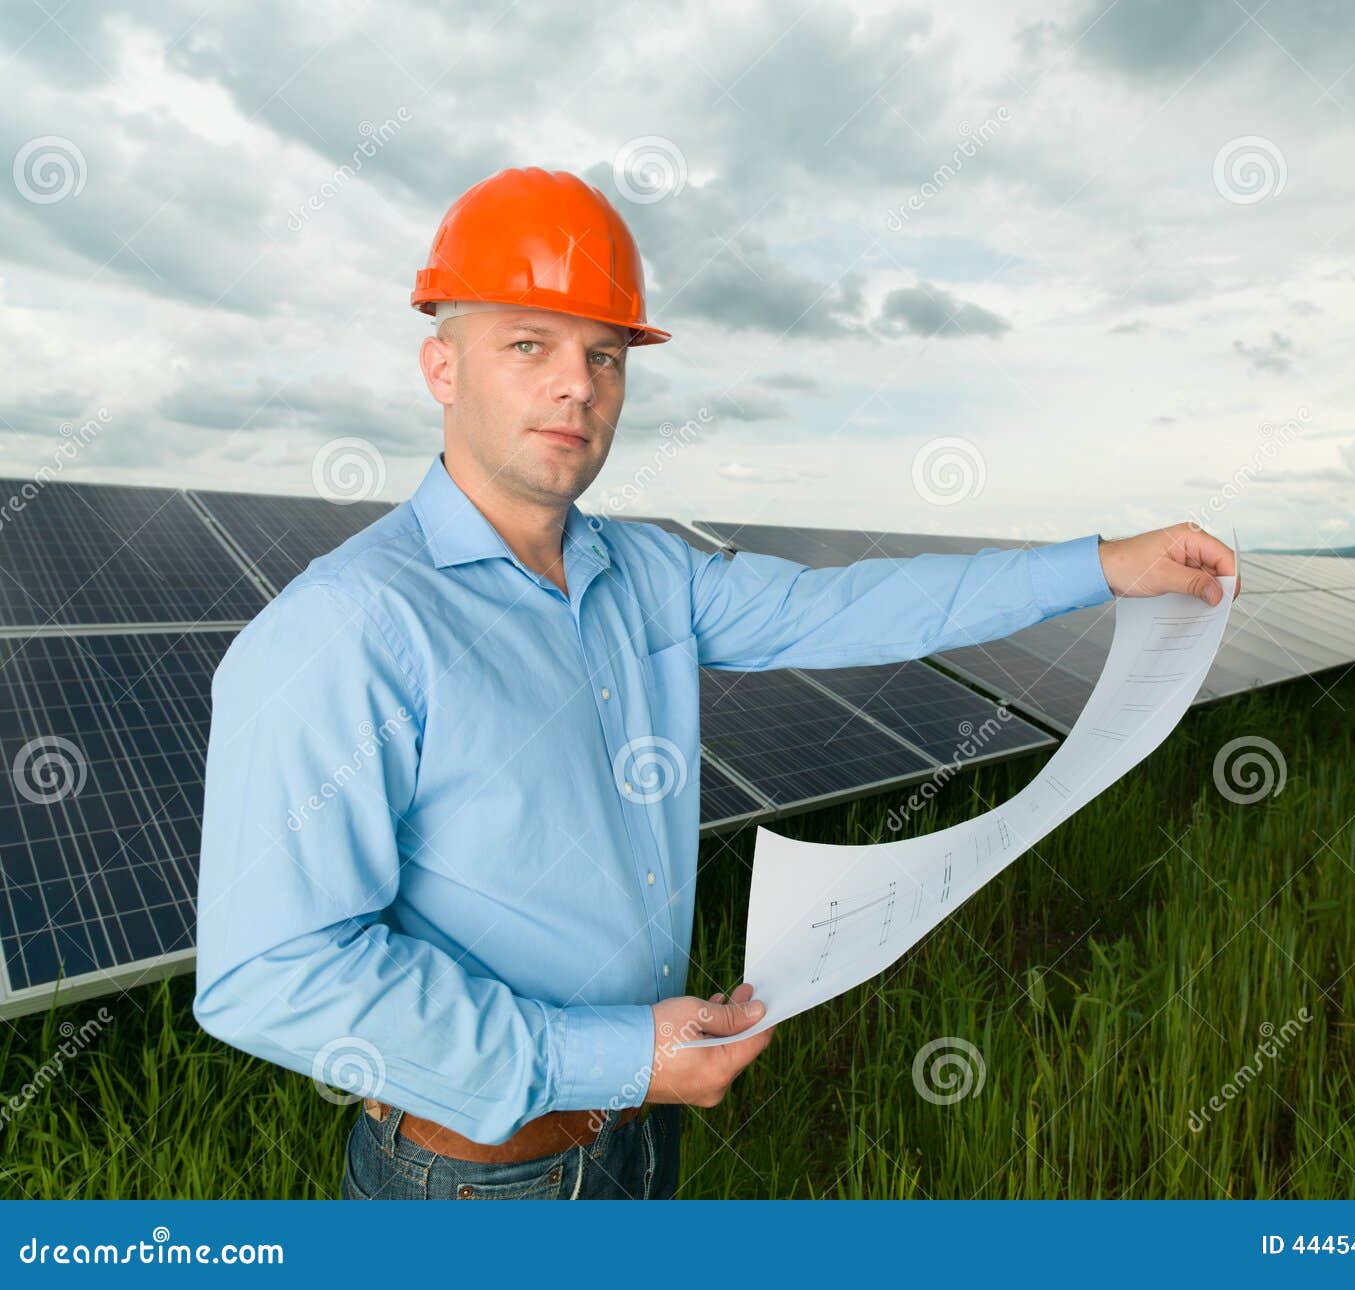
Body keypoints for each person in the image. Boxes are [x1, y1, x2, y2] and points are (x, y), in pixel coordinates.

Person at [192, 166, 1238, 1201]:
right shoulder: (347, 628)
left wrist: (1099, 566)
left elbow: (852, 606)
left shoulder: (647, 573)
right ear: (441, 367)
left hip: (639, 1135)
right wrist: (615, 1057)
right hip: (475, 1184)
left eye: (606, 355)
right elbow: (268, 974)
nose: (578, 385)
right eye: (529, 345)